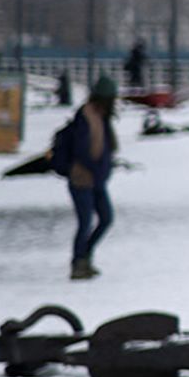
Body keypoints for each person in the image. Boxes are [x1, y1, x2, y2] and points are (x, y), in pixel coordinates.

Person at [47, 75, 119, 280]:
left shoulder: (102, 117)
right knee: (85, 222)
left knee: (106, 219)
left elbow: (105, 147)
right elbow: (81, 150)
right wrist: (96, 168)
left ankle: (85, 255)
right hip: (82, 179)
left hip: (97, 180)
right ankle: (79, 263)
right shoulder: (85, 117)